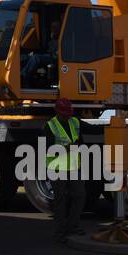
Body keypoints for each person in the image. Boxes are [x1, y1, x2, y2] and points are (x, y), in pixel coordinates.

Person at [46, 97, 87, 242]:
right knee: (60, 199)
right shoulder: (50, 125)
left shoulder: (74, 122)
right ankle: (60, 230)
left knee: (79, 195)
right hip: (57, 168)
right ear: (58, 112)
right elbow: (48, 149)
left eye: (69, 113)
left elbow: (86, 133)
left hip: (74, 166)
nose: (67, 116)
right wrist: (66, 148)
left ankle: (73, 226)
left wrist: (112, 124)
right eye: (65, 114)